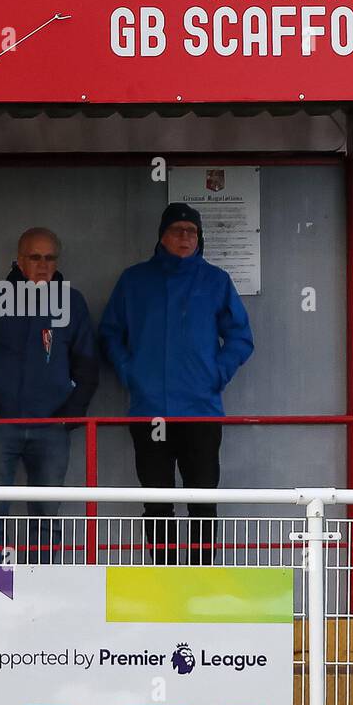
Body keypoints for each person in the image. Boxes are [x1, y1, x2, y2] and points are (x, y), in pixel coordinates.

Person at [99, 203, 254, 565]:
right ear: (162, 235)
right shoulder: (134, 280)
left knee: (202, 500)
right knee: (156, 501)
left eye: (192, 231)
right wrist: (131, 373)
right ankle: (164, 577)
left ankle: (201, 576)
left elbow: (241, 338)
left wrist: (216, 375)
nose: (185, 237)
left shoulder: (216, 281)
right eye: (178, 230)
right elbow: (109, 334)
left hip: (201, 411)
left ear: (200, 239)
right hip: (148, 411)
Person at [0, 227, 99, 562]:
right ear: (20, 260)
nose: (43, 264)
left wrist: (69, 416)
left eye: (50, 258)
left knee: (48, 514)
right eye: (35, 257)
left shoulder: (72, 303)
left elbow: (89, 365)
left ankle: (44, 592)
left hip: (51, 428)